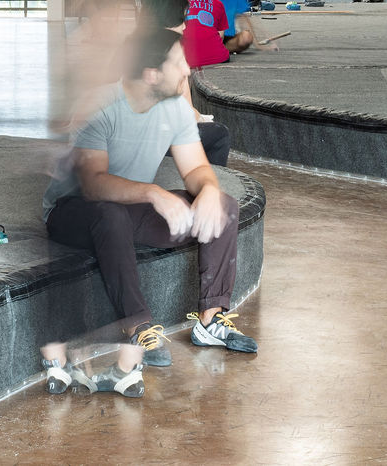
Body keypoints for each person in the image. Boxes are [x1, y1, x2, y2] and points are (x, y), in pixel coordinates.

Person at [40, 27, 255, 398]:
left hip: (130, 208)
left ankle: (211, 319)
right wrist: (154, 193)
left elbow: (196, 169)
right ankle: (139, 327)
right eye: (178, 63)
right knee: (109, 215)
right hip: (73, 211)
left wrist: (207, 191)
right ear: (151, 74)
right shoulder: (100, 105)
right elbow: (93, 185)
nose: (188, 70)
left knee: (225, 206)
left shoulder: (174, 107)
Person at [144, 0, 231, 168]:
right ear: (167, 19)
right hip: (151, 137)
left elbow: (186, 107)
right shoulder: (167, 54)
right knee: (219, 133)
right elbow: (183, 111)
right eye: (181, 20)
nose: (185, 25)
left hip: (146, 133)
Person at [180, 0, 232, 72]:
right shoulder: (218, 4)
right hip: (217, 56)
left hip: (185, 58)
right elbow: (221, 35)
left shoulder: (176, 0)